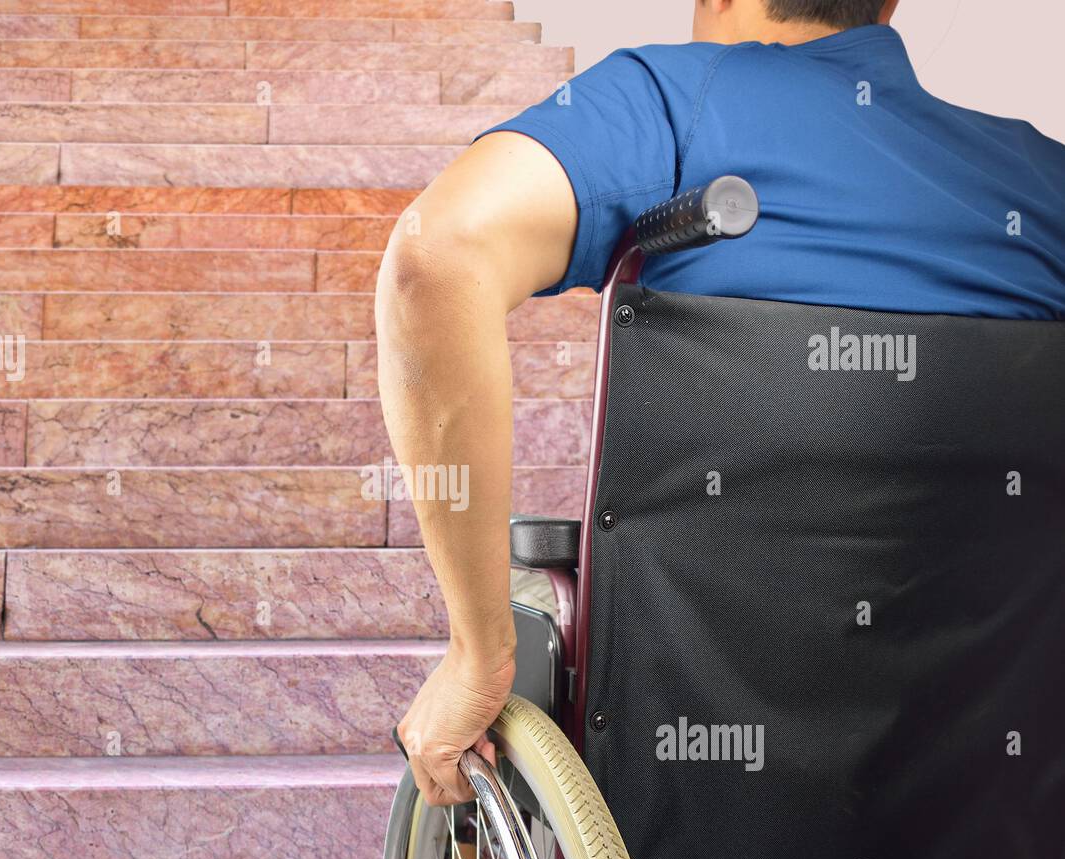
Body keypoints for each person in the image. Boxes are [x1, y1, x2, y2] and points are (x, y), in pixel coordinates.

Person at [376, 0, 1065, 806]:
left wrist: (477, 651)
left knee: (526, 643)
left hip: (701, 770)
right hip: (988, 768)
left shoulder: (667, 102)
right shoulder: (1034, 176)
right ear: (888, 4)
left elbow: (438, 253)